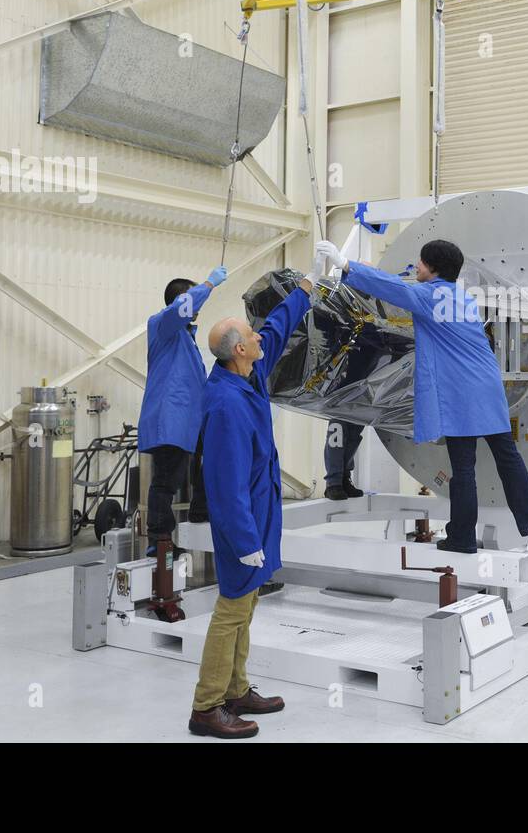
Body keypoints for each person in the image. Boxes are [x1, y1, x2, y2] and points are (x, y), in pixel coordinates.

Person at [314, 238, 528, 553]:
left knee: (463, 468)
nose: (415, 267)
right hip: (488, 385)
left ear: (433, 269)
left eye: (419, 262)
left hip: (462, 393)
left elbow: (390, 286)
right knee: (508, 458)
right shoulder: (464, 298)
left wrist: (345, 265)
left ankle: (461, 538)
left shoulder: (428, 296)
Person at [187, 264, 318, 739]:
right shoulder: (224, 404)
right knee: (231, 608)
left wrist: (306, 289)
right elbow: (224, 485)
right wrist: (244, 540)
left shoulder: (247, 372)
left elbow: (277, 329)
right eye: (251, 337)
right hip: (240, 518)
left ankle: (237, 689)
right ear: (239, 350)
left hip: (261, 508)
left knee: (247, 604)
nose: (261, 339)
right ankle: (206, 706)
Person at [138, 267, 227, 558]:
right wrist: (209, 284)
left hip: (190, 417)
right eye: (190, 299)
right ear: (179, 300)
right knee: (166, 479)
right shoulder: (162, 326)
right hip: (170, 417)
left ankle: (201, 511)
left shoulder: (186, 339)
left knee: (213, 459)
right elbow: (184, 306)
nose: (197, 308)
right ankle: (159, 538)